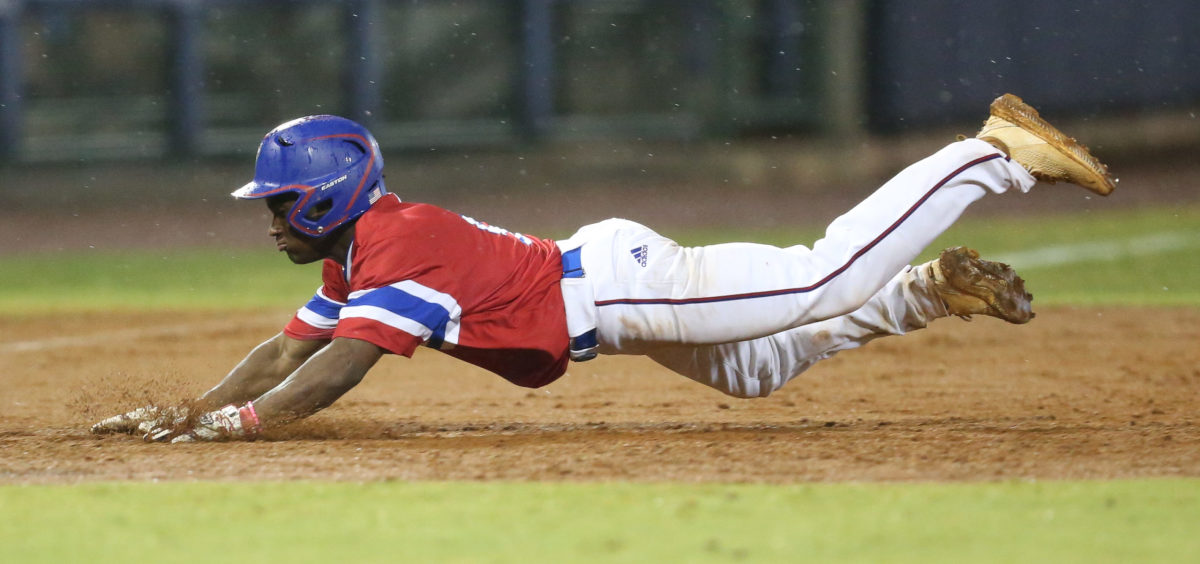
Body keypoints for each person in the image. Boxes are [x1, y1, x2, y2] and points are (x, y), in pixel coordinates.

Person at [92, 93, 1115, 442]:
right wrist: (195, 409)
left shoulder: (394, 245)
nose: (268, 219)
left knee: (813, 279)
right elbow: (289, 349)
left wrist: (243, 426)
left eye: (277, 202)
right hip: (608, 299)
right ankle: (927, 293)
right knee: (760, 368)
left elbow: (337, 372)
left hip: (613, 284)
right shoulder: (365, 250)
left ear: (323, 197)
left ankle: (988, 153)